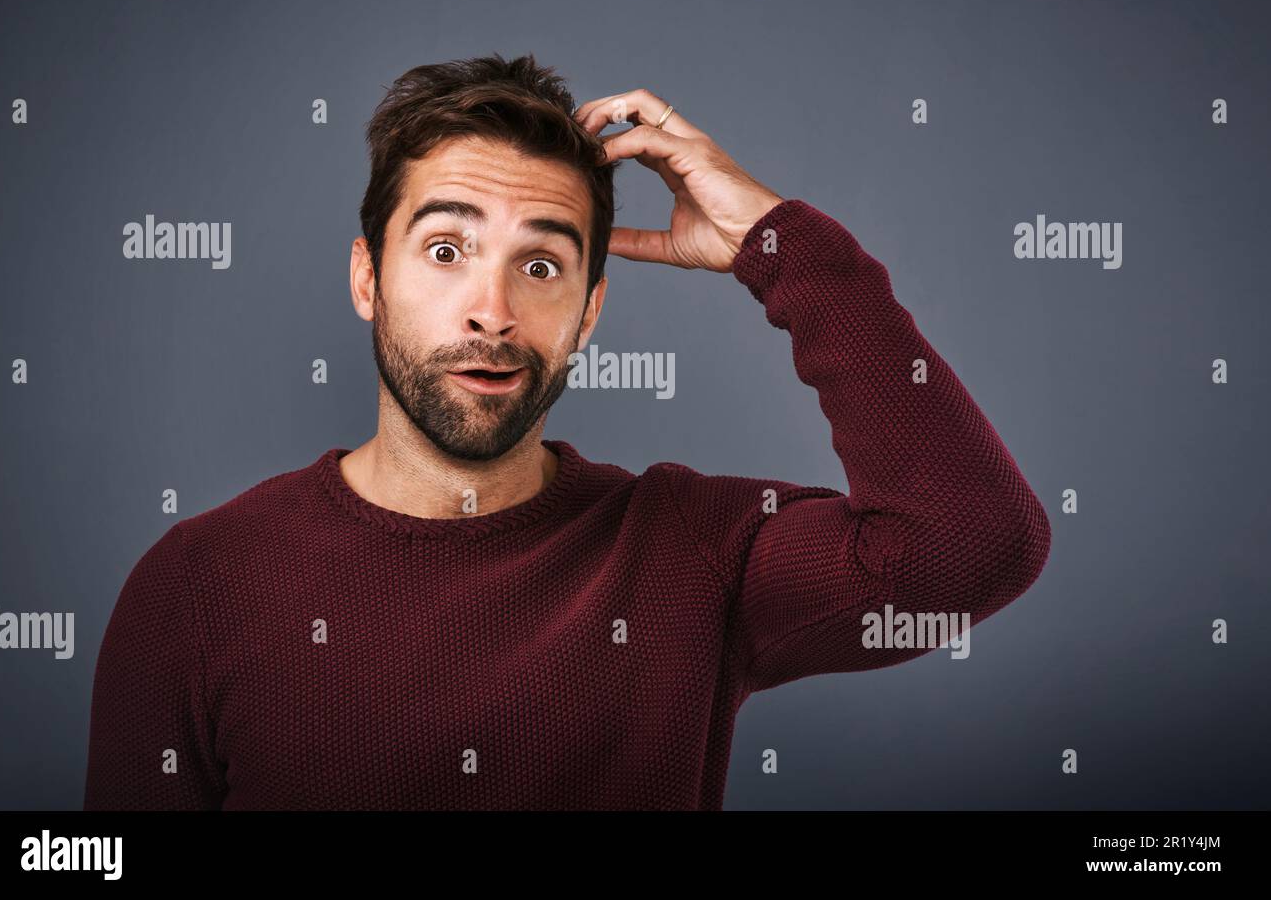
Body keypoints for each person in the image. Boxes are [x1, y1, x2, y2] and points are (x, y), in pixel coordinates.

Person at [83, 53, 1051, 810]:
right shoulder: (199, 582)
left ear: (588, 313)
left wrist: (780, 245)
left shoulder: (684, 550)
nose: (491, 311)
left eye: (540, 266)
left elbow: (967, 546)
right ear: (367, 279)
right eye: (447, 250)